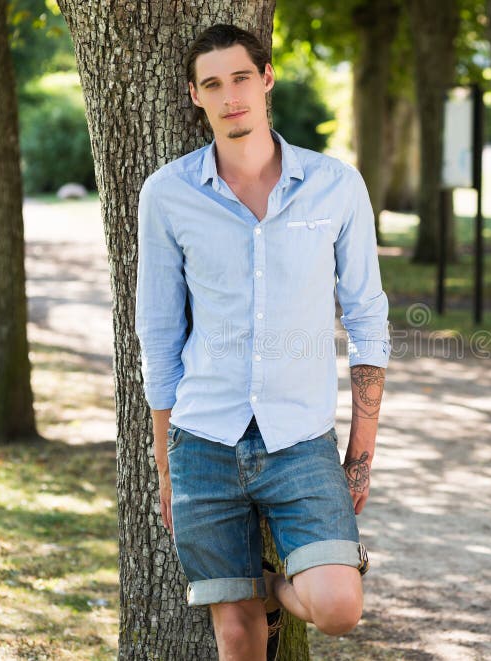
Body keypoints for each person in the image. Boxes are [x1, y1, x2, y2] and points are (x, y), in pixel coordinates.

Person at [134, 23, 390, 661]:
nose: (230, 97)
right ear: (195, 96)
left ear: (267, 77)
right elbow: (160, 334)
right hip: (204, 442)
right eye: (213, 85)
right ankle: (251, 599)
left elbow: (367, 317)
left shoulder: (336, 186)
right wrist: (166, 463)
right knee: (238, 635)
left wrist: (359, 454)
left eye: (241, 78)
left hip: (300, 440)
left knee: (337, 605)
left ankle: (269, 588)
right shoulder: (167, 196)